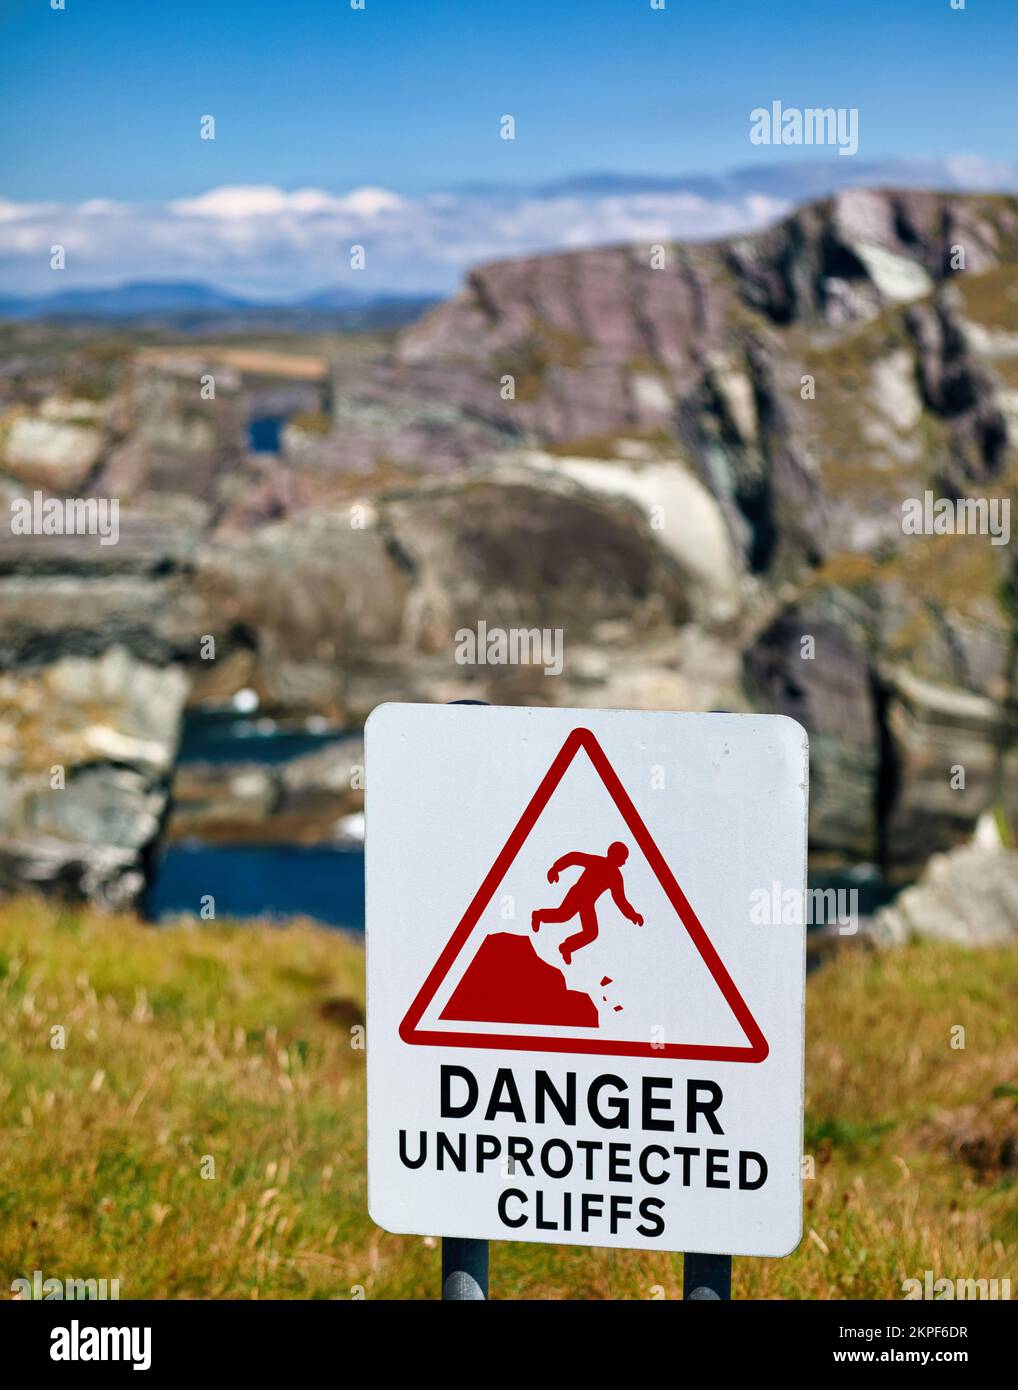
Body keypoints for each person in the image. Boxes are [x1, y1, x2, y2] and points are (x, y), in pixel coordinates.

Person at [531, 841, 643, 964]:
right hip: (577, 894)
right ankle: (538, 915)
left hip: (588, 903)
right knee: (563, 915)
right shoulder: (597, 862)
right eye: (623, 858)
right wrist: (556, 868)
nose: (624, 862)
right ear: (615, 855)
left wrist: (633, 915)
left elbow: (621, 900)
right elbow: (574, 857)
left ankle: (566, 947)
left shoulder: (615, 877)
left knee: (591, 933)